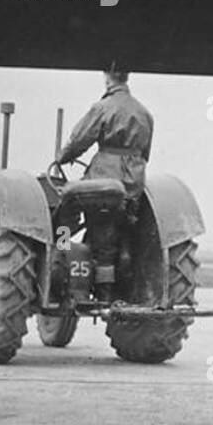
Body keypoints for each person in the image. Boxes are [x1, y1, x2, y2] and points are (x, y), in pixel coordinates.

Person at [57, 66, 153, 302]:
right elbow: (145, 153)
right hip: (133, 181)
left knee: (64, 211)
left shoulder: (102, 108)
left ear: (107, 78)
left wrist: (63, 157)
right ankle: (121, 269)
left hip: (105, 178)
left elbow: (80, 139)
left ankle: (61, 253)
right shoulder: (145, 113)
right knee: (121, 231)